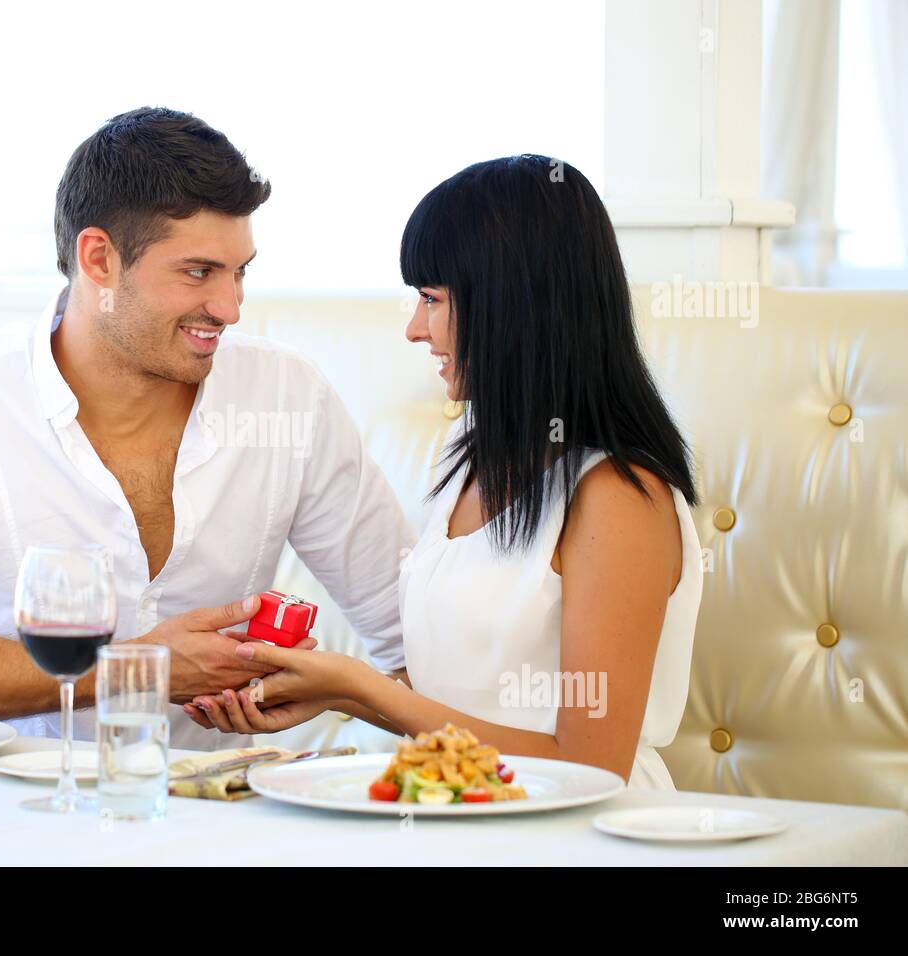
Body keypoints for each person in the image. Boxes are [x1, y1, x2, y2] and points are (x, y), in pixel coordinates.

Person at [0, 107, 416, 751]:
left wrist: (325, 692)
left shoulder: (288, 398)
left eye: (240, 271)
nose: (230, 308)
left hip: (223, 825)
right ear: (99, 258)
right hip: (5, 820)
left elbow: (412, 645)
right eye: (199, 272)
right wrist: (133, 670)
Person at [184, 155, 703, 787]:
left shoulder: (619, 497)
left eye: (431, 298)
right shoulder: (473, 453)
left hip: (579, 834)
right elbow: (456, 696)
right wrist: (327, 690)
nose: (414, 328)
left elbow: (591, 767)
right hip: (461, 811)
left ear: (515, 304)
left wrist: (354, 683)